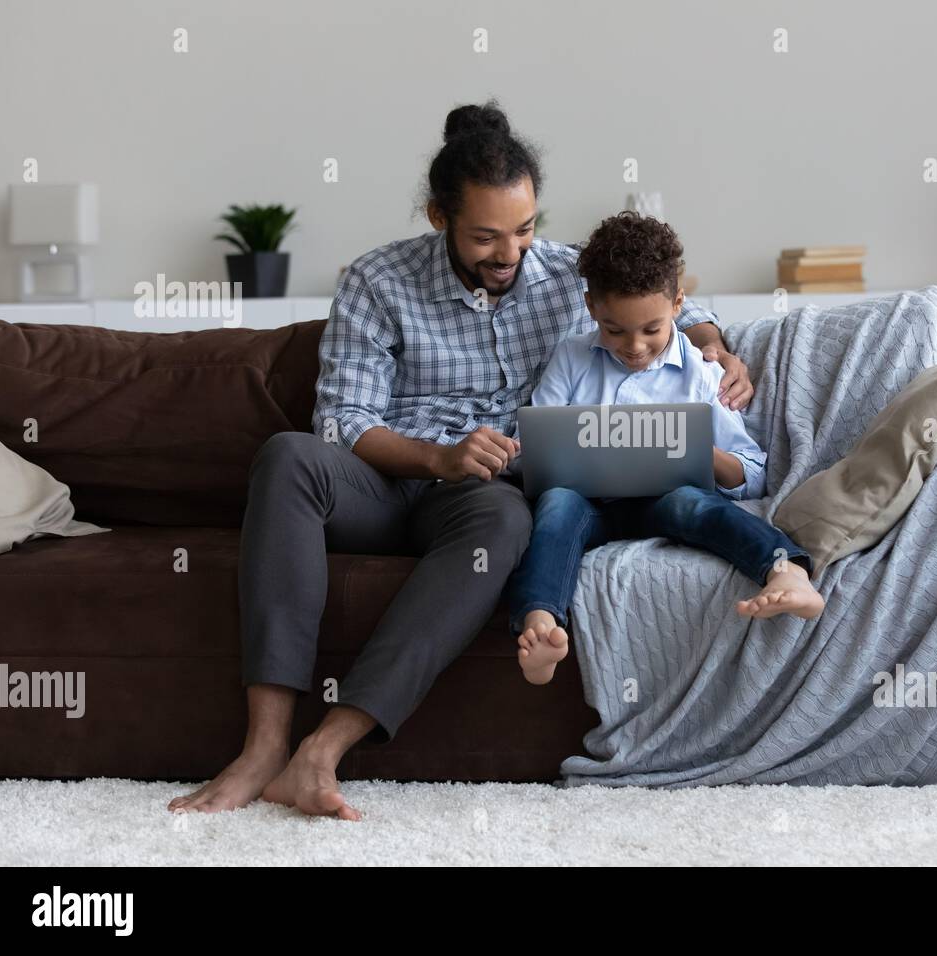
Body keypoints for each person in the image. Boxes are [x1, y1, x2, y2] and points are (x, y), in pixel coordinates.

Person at [167, 101, 752, 820]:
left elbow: (663, 285)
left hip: (482, 497)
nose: (510, 254)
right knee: (288, 457)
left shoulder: (568, 273)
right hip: (386, 480)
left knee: (506, 522)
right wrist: (436, 458)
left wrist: (713, 336)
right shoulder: (378, 281)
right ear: (439, 217)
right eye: (485, 236)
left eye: (525, 229)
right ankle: (262, 746)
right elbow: (343, 421)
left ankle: (322, 753)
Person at [509, 212, 825, 687]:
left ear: (678, 304)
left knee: (694, 504)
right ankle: (541, 623)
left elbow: (754, 473)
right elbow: (537, 442)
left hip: (667, 501)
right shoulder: (571, 357)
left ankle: (787, 572)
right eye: (615, 331)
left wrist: (702, 452)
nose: (634, 346)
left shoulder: (701, 372)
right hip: (589, 505)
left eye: (651, 330)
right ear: (592, 306)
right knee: (555, 507)